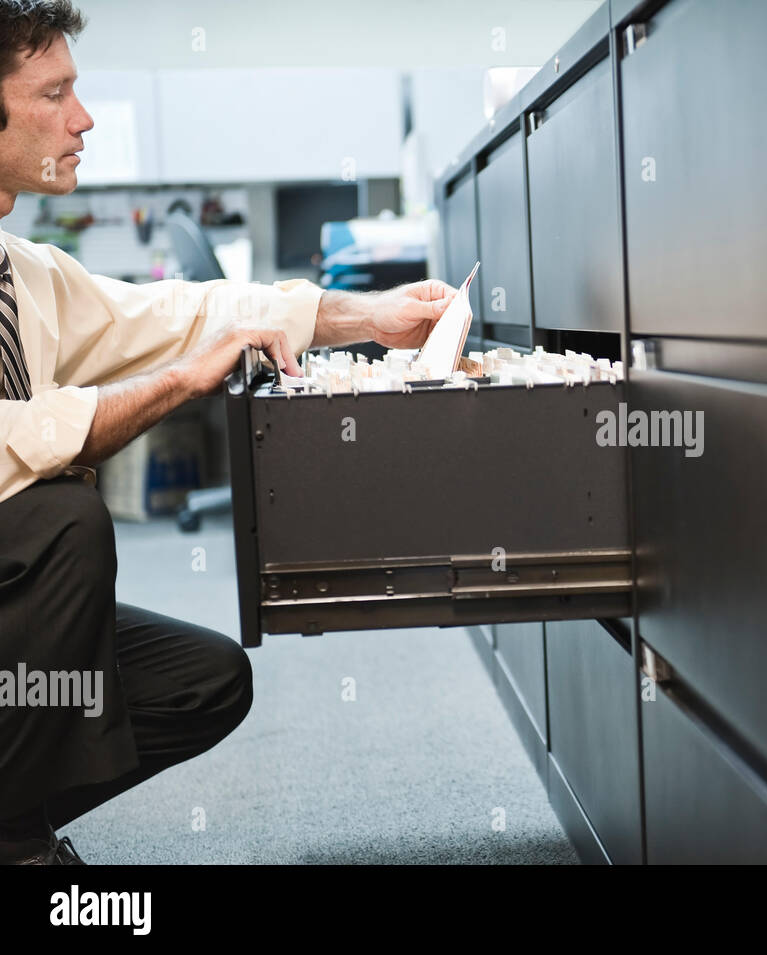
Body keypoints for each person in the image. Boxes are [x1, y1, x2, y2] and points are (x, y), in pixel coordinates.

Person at [0, 1, 457, 863]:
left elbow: (185, 309)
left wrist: (369, 316)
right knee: (61, 520)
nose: (83, 117)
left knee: (202, 682)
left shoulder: (26, 273)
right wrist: (176, 382)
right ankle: (19, 842)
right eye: (54, 92)